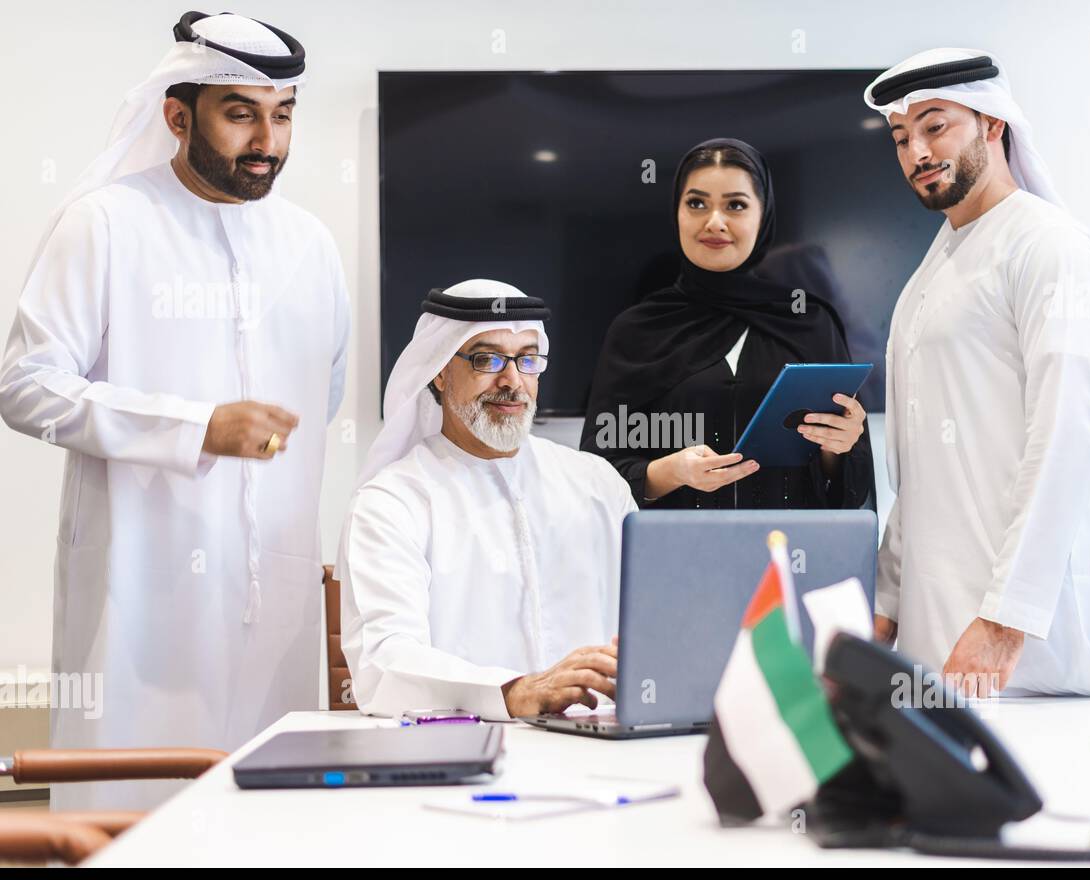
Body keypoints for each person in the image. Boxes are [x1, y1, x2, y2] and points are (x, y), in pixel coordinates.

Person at [0, 12, 350, 810]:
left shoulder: (310, 245)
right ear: (177, 114)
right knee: (130, 820)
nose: (269, 138)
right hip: (139, 601)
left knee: (275, 828)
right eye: (241, 113)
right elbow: (24, 386)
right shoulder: (105, 223)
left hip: (277, 609)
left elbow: (320, 403)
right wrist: (194, 427)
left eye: (284, 112)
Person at [864, 48, 1090, 699]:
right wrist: (887, 604)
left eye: (935, 126)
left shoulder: (1051, 246)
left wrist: (1005, 619)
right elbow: (919, 471)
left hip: (1034, 654)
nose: (916, 153)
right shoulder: (932, 272)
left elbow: (1068, 436)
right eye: (901, 137)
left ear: (992, 122)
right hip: (940, 647)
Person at [337, 280, 635, 720]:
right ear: (439, 370)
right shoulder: (392, 502)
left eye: (527, 359)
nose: (512, 381)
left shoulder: (598, 485)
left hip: (604, 744)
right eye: (487, 358)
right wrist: (512, 692)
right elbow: (384, 661)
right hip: (459, 750)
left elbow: (654, 625)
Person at [581, 138, 875, 511]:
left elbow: (849, 486)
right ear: (677, 213)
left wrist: (840, 446)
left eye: (735, 205)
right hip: (672, 557)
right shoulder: (637, 330)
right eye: (696, 203)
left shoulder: (809, 322)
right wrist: (670, 472)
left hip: (791, 554)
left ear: (762, 213)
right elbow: (595, 473)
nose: (714, 221)